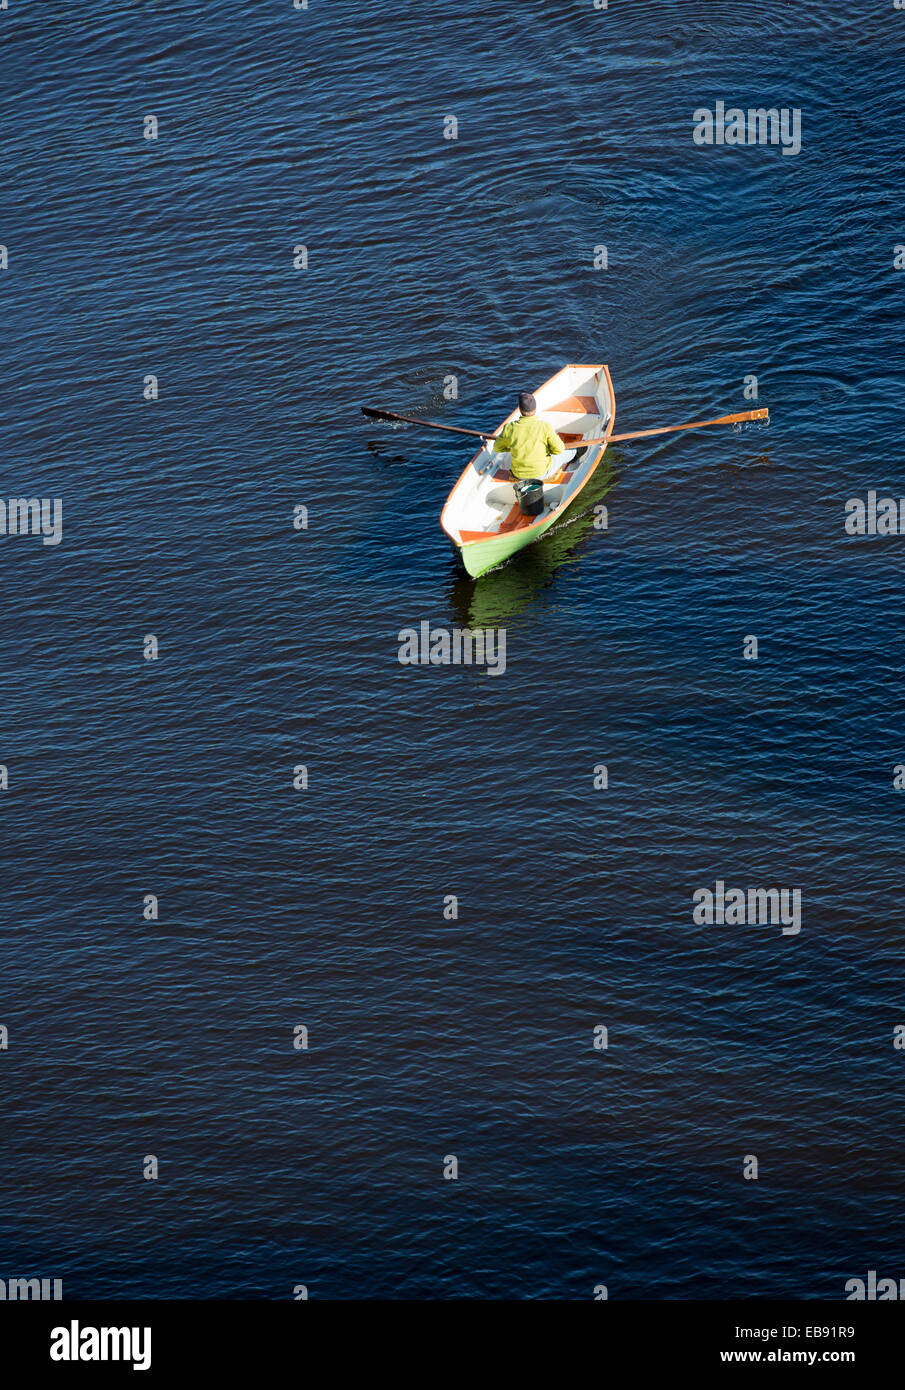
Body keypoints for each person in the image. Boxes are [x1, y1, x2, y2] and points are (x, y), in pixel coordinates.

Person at [486, 392, 565, 481]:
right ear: (535, 409)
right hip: (540, 474)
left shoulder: (509, 428)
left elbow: (497, 448)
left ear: (519, 409)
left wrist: (514, 446)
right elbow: (559, 449)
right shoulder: (544, 426)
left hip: (518, 474)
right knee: (568, 452)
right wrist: (547, 449)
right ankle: (577, 453)